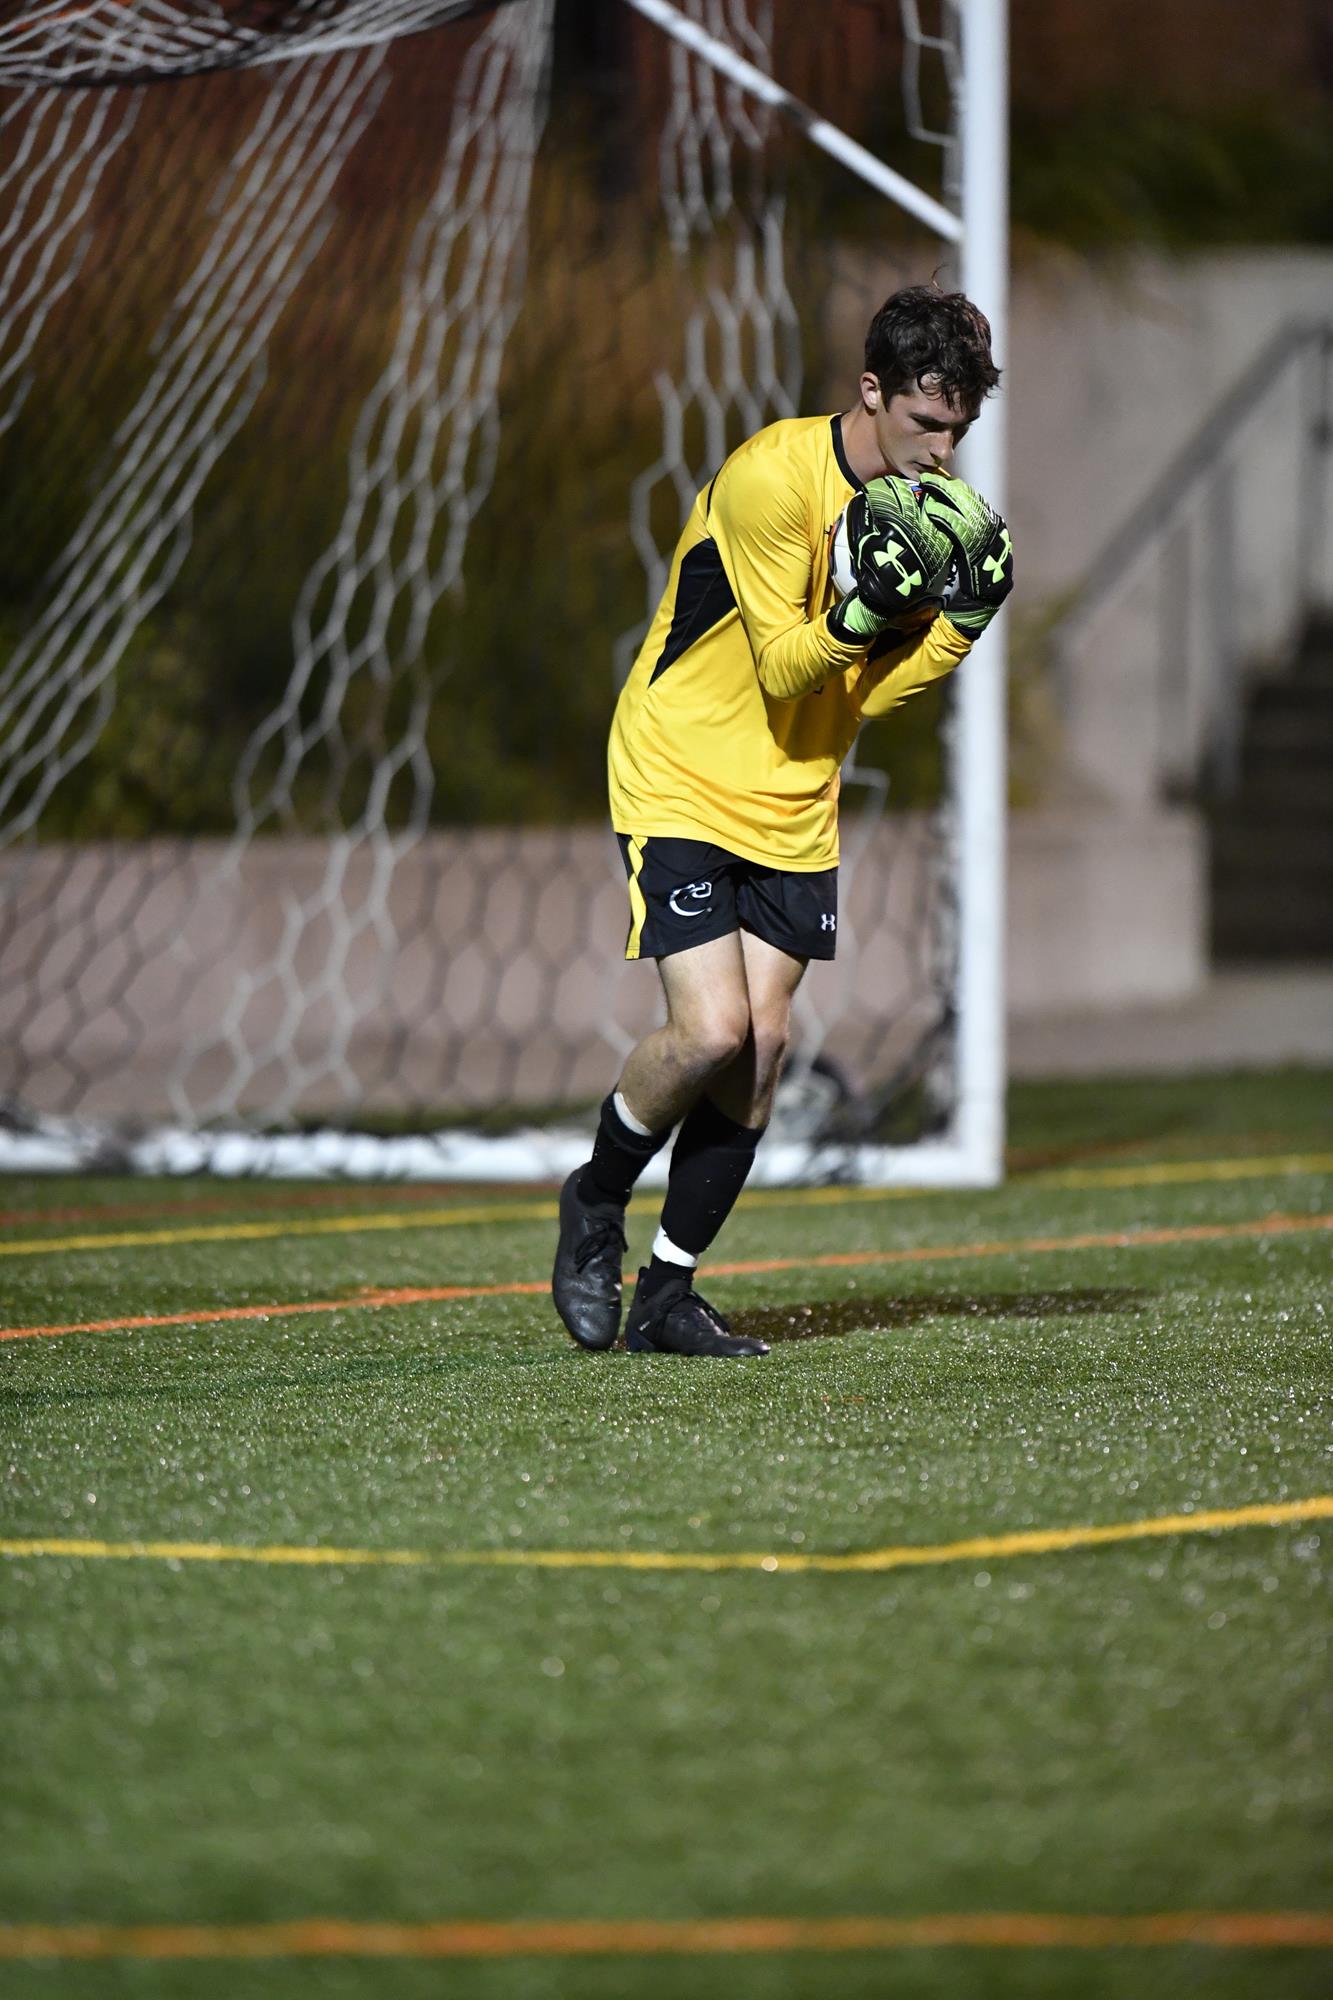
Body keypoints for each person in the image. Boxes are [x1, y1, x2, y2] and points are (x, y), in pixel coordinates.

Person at [552, 283, 1012, 1358]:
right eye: (925, 422)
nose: (941, 450)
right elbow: (784, 663)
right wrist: (865, 612)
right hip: (681, 768)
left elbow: (858, 696)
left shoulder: (928, 504)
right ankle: (592, 1199)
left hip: (797, 790)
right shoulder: (772, 480)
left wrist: (958, 627)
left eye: (959, 429)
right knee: (709, 1030)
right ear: (871, 390)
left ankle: (667, 1291)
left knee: (763, 1051)